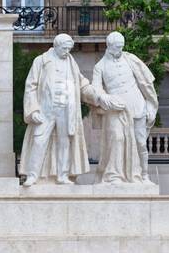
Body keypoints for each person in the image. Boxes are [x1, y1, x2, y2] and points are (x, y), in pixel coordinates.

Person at [19, 33, 107, 186]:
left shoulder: (71, 63)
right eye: (65, 48)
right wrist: (33, 110)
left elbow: (82, 84)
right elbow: (31, 86)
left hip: (66, 109)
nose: (67, 52)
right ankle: (33, 175)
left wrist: (97, 96)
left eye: (69, 49)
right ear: (56, 46)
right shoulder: (41, 61)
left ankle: (62, 175)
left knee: (65, 142)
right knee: (39, 140)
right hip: (46, 109)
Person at [90, 31, 158, 184]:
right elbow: (96, 89)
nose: (120, 50)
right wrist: (105, 98)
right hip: (116, 109)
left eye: (121, 47)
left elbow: (145, 83)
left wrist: (150, 106)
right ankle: (116, 175)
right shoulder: (99, 67)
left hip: (137, 105)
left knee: (140, 142)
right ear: (109, 46)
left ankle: (144, 175)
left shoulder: (131, 59)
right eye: (117, 47)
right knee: (117, 139)